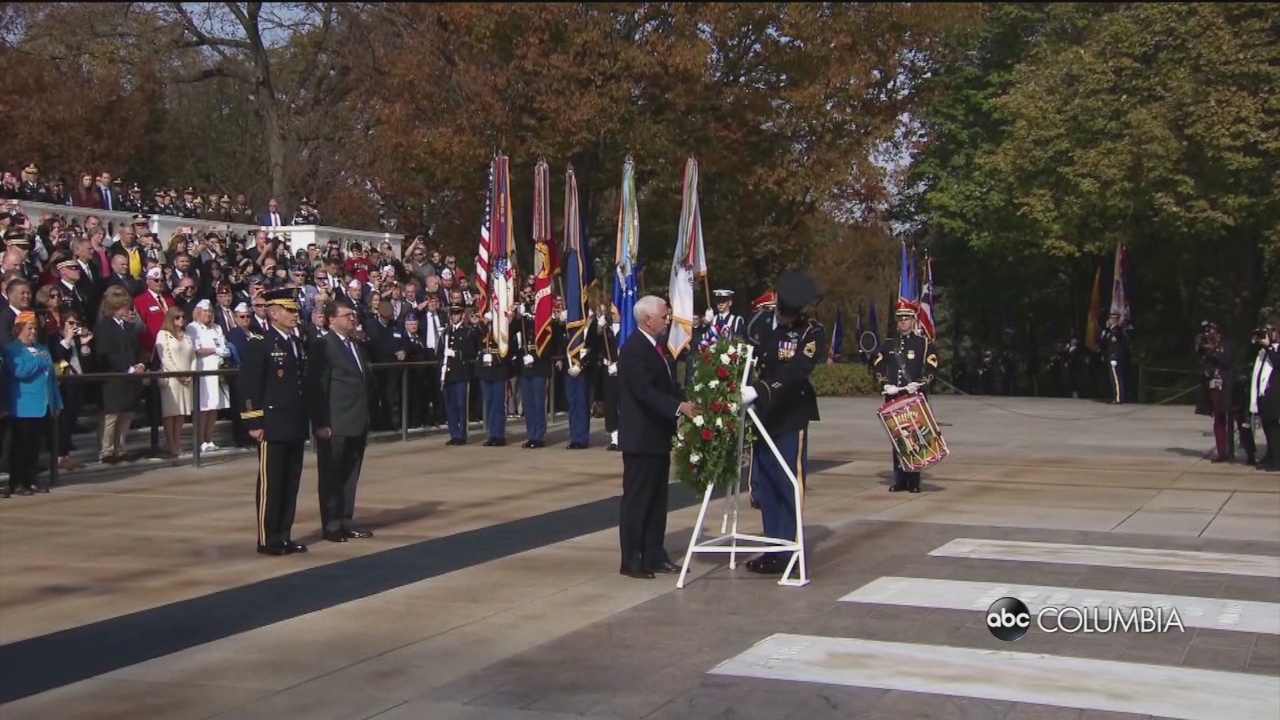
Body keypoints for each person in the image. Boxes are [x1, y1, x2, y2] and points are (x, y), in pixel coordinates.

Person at [739, 271, 825, 575]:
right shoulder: (758, 321)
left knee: (787, 480)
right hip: (762, 414)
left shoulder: (811, 332)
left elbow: (797, 371)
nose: (786, 317)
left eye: (792, 313)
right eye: (783, 311)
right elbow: (745, 355)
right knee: (766, 481)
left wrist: (760, 390)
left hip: (790, 413)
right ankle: (773, 547)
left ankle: (789, 548)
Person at [617, 295, 699, 579]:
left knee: (657, 500)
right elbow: (644, 391)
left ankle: (654, 553)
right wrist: (678, 407)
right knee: (638, 500)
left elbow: (666, 385)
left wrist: (686, 399)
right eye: (664, 317)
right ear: (647, 319)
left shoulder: (656, 347)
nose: (668, 320)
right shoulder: (634, 349)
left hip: (657, 435)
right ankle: (631, 559)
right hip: (640, 437)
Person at [238, 287, 309, 556]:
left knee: (290, 483)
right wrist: (253, 421)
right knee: (272, 484)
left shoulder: (295, 342)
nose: (295, 315)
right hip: (272, 423)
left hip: (294, 421)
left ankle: (284, 535)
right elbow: (248, 385)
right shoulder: (261, 344)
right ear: (274, 313)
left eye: (295, 310)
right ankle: (267, 538)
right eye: (289, 310)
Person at [306, 298, 376, 542]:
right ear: (331, 319)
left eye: (353, 315)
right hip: (335, 422)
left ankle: (346, 519)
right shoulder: (323, 345)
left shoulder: (355, 345)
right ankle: (332, 524)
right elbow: (317, 386)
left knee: (350, 475)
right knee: (331, 476)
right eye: (347, 315)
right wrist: (320, 422)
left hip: (356, 420)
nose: (352, 319)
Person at [873, 302, 939, 493]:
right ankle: (900, 479)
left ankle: (914, 480)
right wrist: (885, 384)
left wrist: (920, 383)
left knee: (915, 437)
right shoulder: (888, 343)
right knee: (897, 438)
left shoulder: (923, 343)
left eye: (907, 318)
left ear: (913, 320)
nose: (903, 322)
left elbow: (932, 366)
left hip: (913, 396)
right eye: (900, 318)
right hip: (894, 396)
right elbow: (878, 364)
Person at [3, 312, 61, 496]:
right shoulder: (12, 349)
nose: (33, 332)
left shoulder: (42, 348)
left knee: (35, 446)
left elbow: (51, 378)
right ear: (19, 329)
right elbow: (20, 372)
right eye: (29, 328)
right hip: (23, 406)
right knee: (21, 446)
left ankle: (31, 480)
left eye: (35, 328)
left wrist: (57, 402)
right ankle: (18, 482)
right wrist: (38, 360)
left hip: (43, 404)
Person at [155, 306, 195, 457]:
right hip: (171, 378)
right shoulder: (163, 335)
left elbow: (193, 356)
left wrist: (191, 373)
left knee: (181, 413)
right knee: (170, 412)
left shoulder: (187, 336)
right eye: (177, 317)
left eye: (183, 317)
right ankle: (170, 443)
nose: (181, 320)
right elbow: (165, 357)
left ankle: (177, 442)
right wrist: (178, 374)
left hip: (187, 376)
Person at [1197, 322, 1236, 463]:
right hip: (1213, 386)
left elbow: (1226, 362)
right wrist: (1201, 346)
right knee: (1218, 419)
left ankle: (1244, 451)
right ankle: (1222, 452)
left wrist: (1213, 350)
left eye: (1213, 333)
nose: (1211, 336)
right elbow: (1201, 359)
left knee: (1235, 419)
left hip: (1228, 387)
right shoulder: (1207, 347)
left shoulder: (1228, 345)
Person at [441, 301, 478, 445]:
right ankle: (454, 433)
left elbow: (470, 352)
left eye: (456, 314)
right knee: (450, 405)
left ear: (462, 315)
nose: (453, 316)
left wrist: (456, 354)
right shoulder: (447, 332)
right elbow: (440, 352)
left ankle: (461, 434)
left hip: (461, 373)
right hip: (448, 373)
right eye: (452, 314)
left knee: (461, 405)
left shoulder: (467, 332)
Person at [476, 320, 510, 446]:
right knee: (489, 402)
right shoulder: (482, 325)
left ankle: (499, 435)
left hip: (498, 366)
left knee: (498, 402)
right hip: (485, 367)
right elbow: (475, 337)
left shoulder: (502, 323)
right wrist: (482, 323)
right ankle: (492, 434)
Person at [1250, 322, 1278, 471]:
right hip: (1263, 394)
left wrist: (1269, 347)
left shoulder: (1274, 349)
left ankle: (1276, 460)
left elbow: (1278, 363)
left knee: (1274, 428)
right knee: (1267, 428)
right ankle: (1270, 456)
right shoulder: (1264, 351)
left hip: (1275, 395)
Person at [1099, 312, 1130, 404]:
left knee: (1117, 379)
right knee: (1114, 379)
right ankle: (1117, 396)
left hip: (1115, 357)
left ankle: (1118, 398)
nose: (1110, 321)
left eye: (1112, 319)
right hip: (1111, 356)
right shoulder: (1110, 330)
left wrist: (1114, 356)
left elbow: (1116, 346)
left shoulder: (1117, 331)